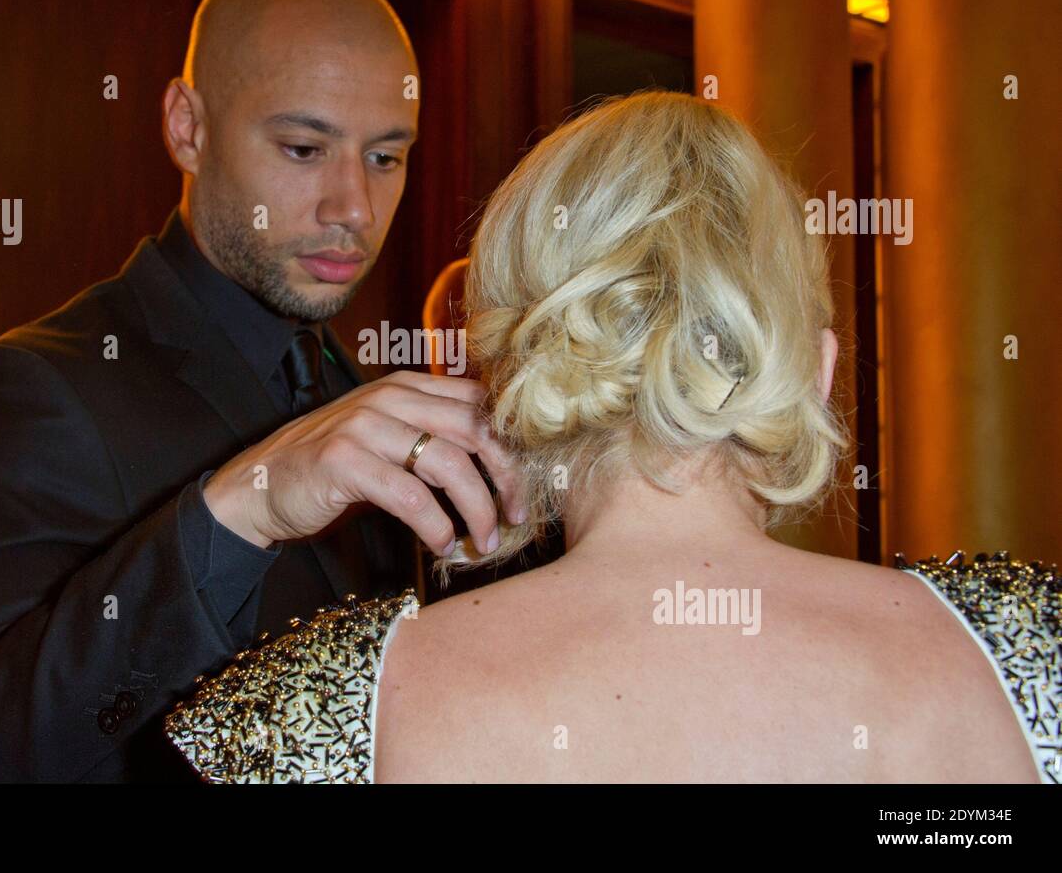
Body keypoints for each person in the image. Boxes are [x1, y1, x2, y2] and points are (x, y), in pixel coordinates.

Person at [165, 91, 1061, 783]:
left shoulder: (321, 704)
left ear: (506, 381)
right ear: (815, 375)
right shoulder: (1023, 648)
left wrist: (246, 505)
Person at [0, 0, 524, 782]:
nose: (355, 209)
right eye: (304, 148)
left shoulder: (360, 389)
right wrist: (237, 513)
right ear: (188, 127)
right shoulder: (36, 389)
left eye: (386, 158)